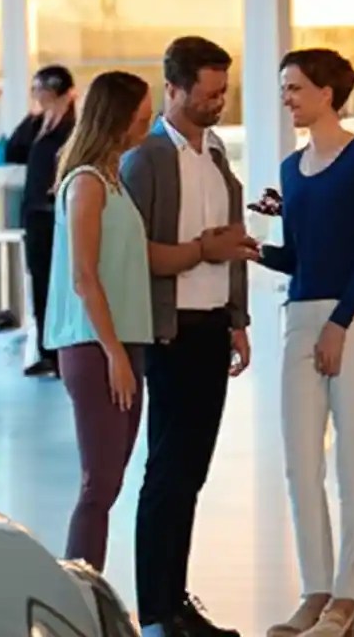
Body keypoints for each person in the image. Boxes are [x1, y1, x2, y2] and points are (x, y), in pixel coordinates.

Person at [120, 36, 257, 637]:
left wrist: (239, 318)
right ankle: (155, 612)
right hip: (168, 333)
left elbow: (233, 243)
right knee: (167, 473)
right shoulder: (146, 160)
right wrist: (203, 252)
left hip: (210, 329)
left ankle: (176, 603)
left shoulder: (217, 154)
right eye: (206, 95)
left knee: (192, 473)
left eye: (223, 93)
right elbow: (134, 253)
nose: (217, 104)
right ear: (172, 90)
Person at [258, 48, 354, 637]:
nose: (286, 98)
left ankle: (349, 596)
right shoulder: (291, 169)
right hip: (300, 316)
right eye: (284, 88)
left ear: (327, 94)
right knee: (299, 461)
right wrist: (252, 248)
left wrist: (339, 323)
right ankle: (315, 589)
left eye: (294, 88)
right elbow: (298, 257)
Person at [43, 70, 154, 573]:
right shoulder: (86, 184)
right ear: (120, 118)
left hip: (122, 343)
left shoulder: (114, 180)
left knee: (109, 482)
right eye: (143, 114)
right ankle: (79, 598)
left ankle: (88, 594)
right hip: (95, 347)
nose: (148, 122)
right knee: (99, 482)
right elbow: (84, 277)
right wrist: (114, 354)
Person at [6, 64, 77, 378]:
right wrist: (34, 116)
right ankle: (47, 351)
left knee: (60, 281)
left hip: (59, 214)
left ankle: (65, 351)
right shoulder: (39, 125)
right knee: (39, 281)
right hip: (34, 212)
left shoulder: (73, 127)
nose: (36, 95)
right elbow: (13, 150)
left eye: (41, 89)